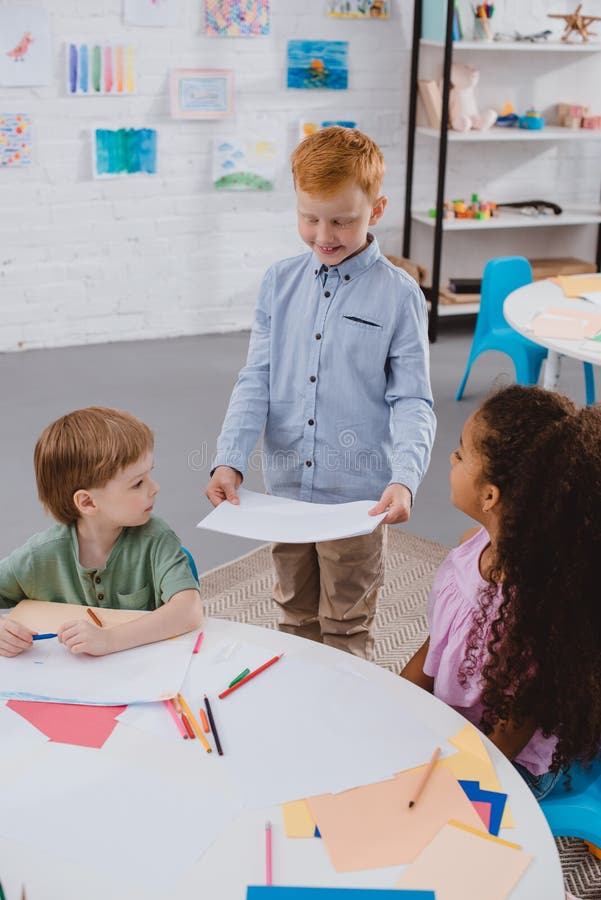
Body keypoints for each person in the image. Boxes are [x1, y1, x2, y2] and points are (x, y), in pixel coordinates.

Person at [206, 126, 435, 659]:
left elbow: (412, 400)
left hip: (357, 498)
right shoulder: (278, 282)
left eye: (342, 220)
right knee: (293, 612)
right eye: (310, 218)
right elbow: (255, 377)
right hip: (285, 492)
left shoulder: (400, 297)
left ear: (376, 210)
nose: (324, 234)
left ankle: (346, 712)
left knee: (346, 622)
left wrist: (405, 478)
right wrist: (230, 459)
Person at [401, 385, 601, 799]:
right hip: (464, 729)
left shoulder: (532, 609)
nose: (451, 460)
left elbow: (508, 736)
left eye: (461, 453)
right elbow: (438, 642)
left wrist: (446, 781)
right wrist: (391, 696)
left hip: (512, 761)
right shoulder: (473, 545)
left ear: (490, 495)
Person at [0, 407, 203, 657]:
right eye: (138, 483)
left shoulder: (157, 538)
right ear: (87, 502)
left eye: (150, 474)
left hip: (146, 674)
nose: (155, 487)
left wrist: (110, 640)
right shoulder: (39, 555)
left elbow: (189, 611)